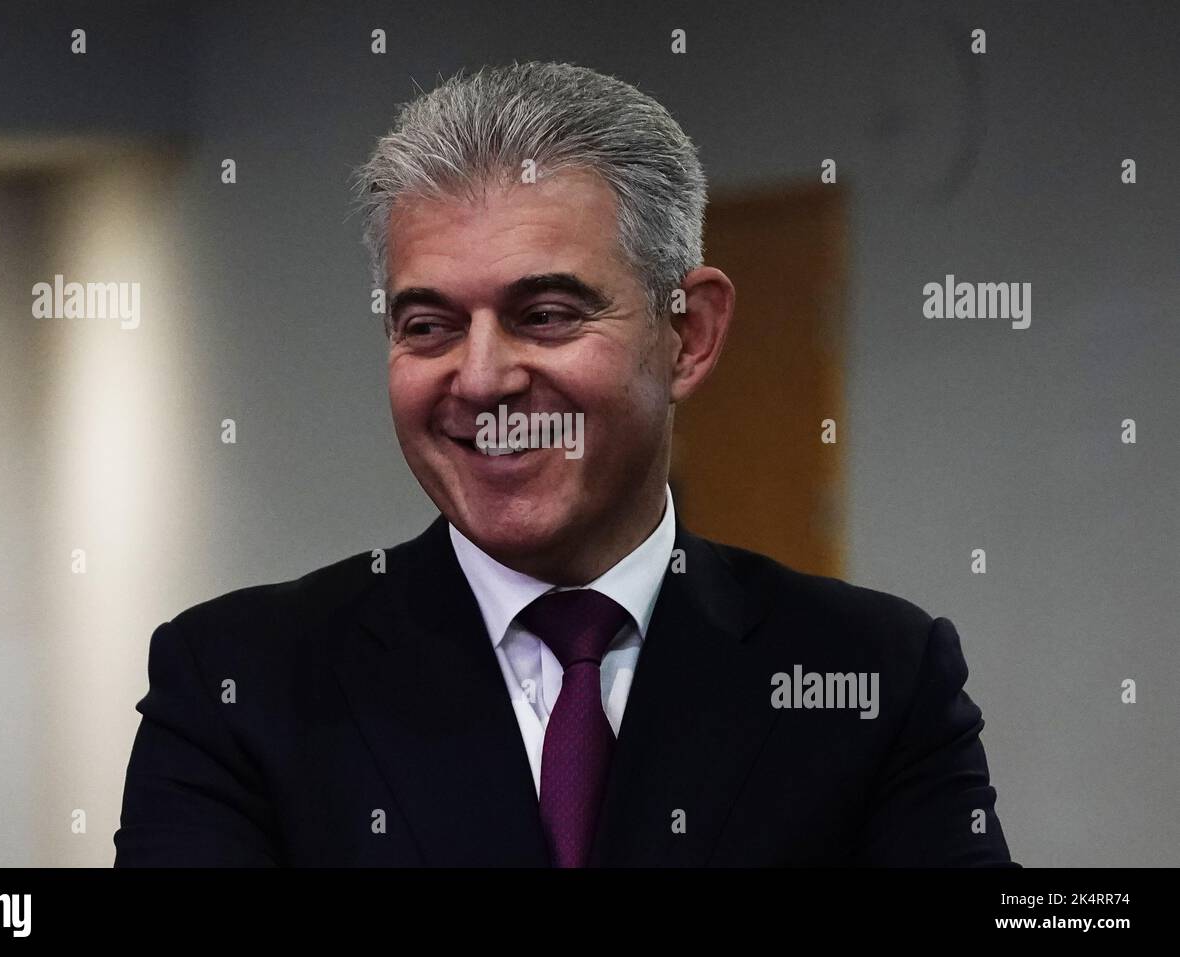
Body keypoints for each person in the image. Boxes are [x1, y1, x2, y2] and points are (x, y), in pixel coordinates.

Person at [114, 61, 1016, 867]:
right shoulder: (240, 684)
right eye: (428, 325)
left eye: (545, 315)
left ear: (690, 334)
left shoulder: (873, 674)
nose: (481, 378)